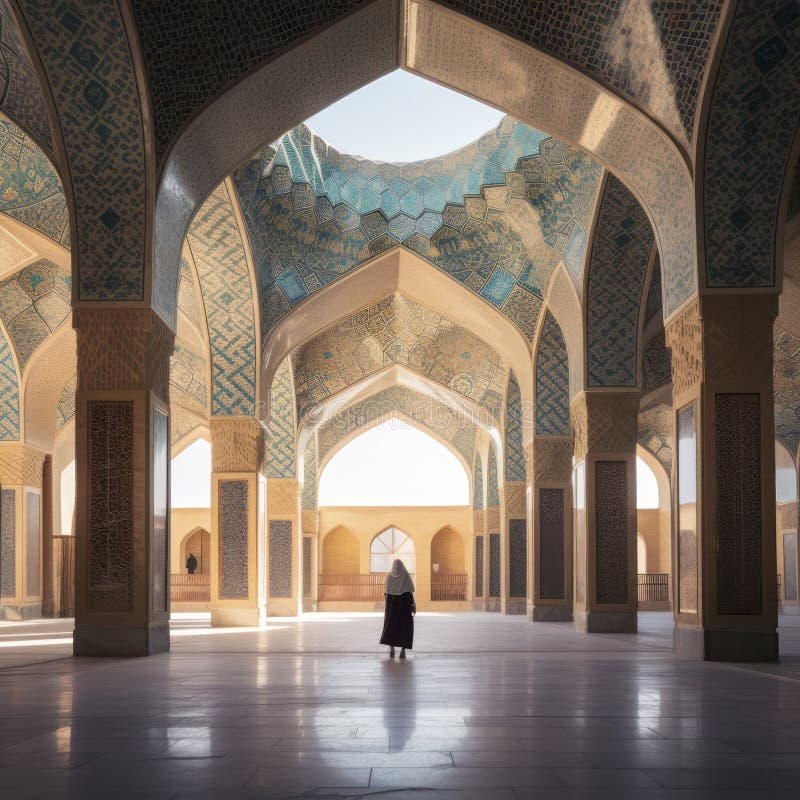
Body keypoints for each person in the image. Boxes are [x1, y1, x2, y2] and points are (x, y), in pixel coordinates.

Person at [380, 559, 416, 659]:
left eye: (397, 566)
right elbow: (410, 593)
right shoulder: (405, 576)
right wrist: (413, 606)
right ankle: (402, 651)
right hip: (404, 606)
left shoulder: (390, 577)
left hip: (392, 607)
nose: (397, 568)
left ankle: (393, 649)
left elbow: (386, 594)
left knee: (392, 626)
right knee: (404, 627)